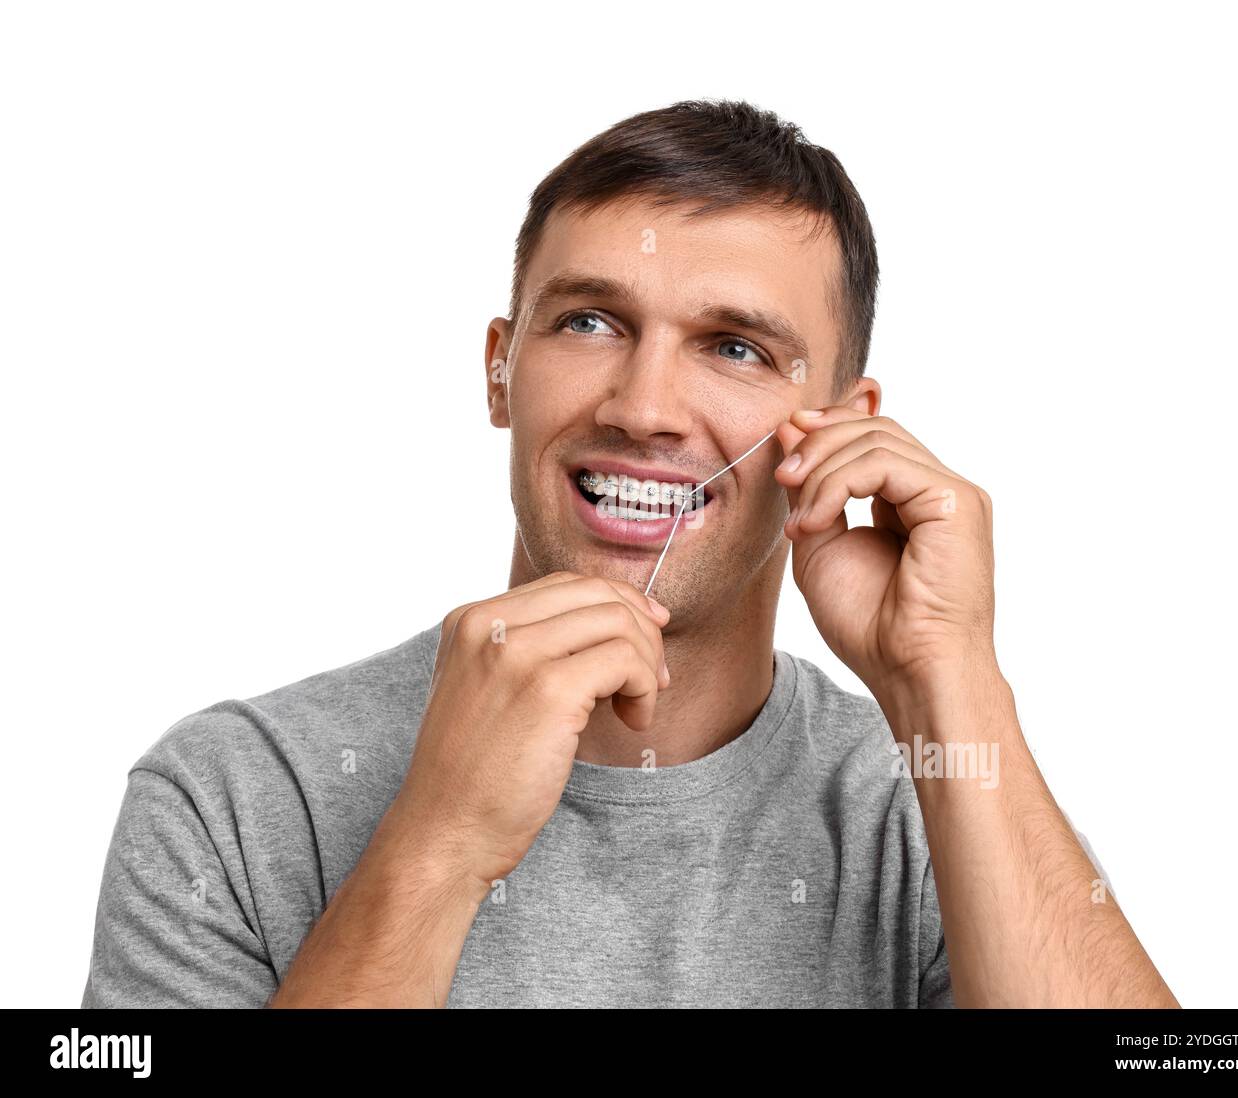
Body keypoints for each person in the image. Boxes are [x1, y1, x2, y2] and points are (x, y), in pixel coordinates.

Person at [80, 100, 1177, 1009]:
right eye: (590, 324)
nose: (645, 407)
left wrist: (950, 679)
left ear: (843, 427)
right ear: (499, 370)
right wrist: (438, 845)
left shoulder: (936, 811)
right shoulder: (233, 794)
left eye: (734, 347)